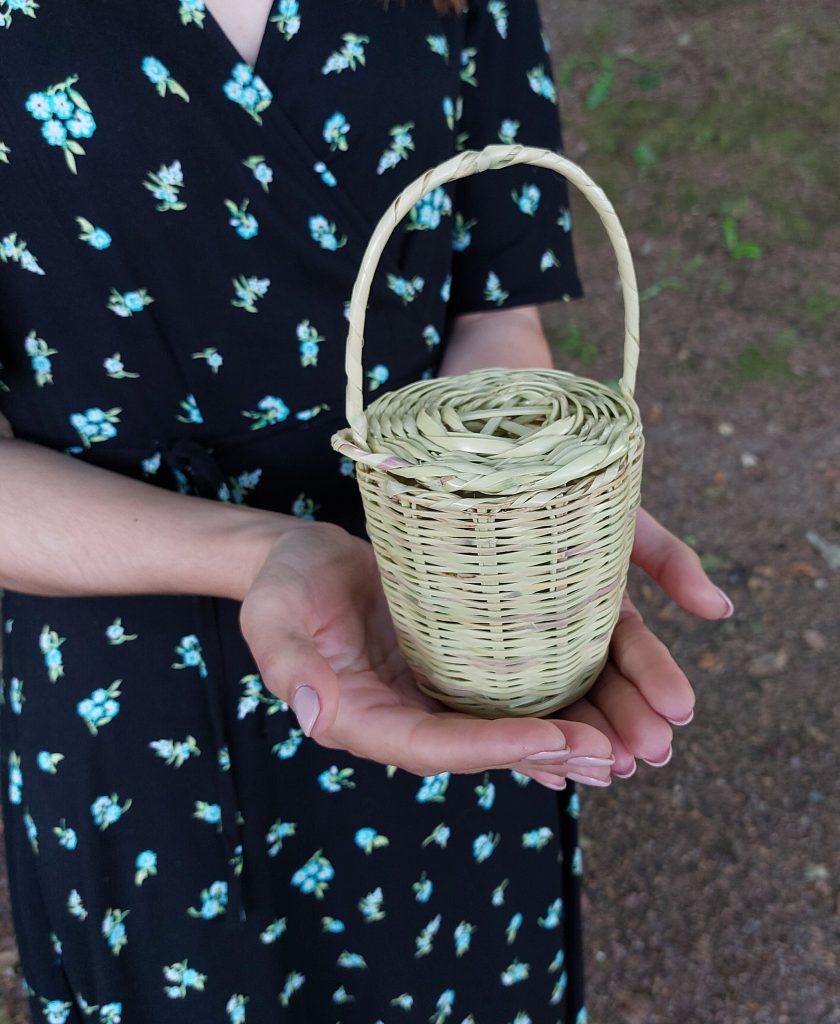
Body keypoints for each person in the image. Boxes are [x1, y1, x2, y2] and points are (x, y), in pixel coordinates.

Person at [0, 0, 733, 1020]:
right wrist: (264, 552)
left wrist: (527, 506)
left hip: (440, 611)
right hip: (130, 684)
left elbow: (493, 316)